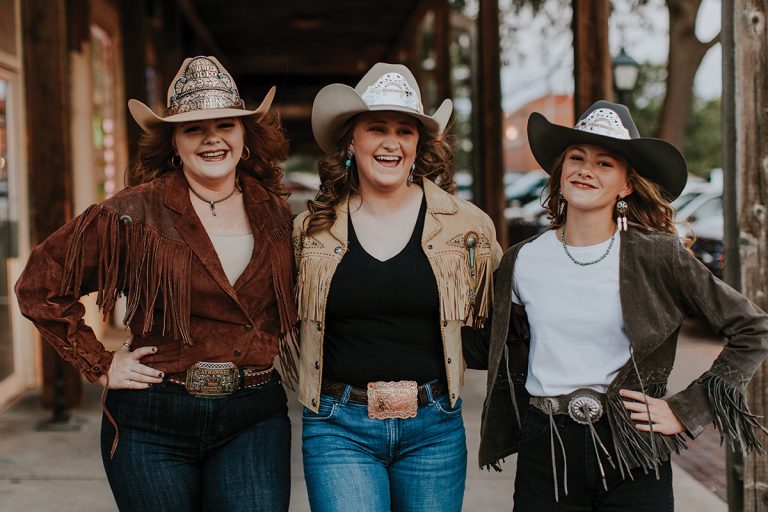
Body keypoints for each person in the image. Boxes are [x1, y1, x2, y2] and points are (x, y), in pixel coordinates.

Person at [15, 56, 298, 511]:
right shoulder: (132, 212)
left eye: (225, 124)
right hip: (154, 416)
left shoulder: (277, 213)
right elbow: (39, 285)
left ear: (245, 135)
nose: (212, 138)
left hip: (253, 415)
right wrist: (100, 363)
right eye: (193, 128)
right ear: (173, 143)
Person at [463, 100, 768, 511]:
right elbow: (494, 347)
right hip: (547, 447)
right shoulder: (522, 260)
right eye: (576, 158)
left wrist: (688, 409)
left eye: (604, 163)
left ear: (626, 186)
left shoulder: (657, 256)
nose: (585, 169)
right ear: (560, 171)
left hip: (633, 446)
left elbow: (753, 329)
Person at [293, 62, 502, 512]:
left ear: (418, 145)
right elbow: (272, 317)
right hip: (338, 425)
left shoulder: (467, 227)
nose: (392, 143)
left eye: (405, 131)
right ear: (352, 141)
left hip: (434, 426)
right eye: (377, 129)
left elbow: (508, 317)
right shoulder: (311, 231)